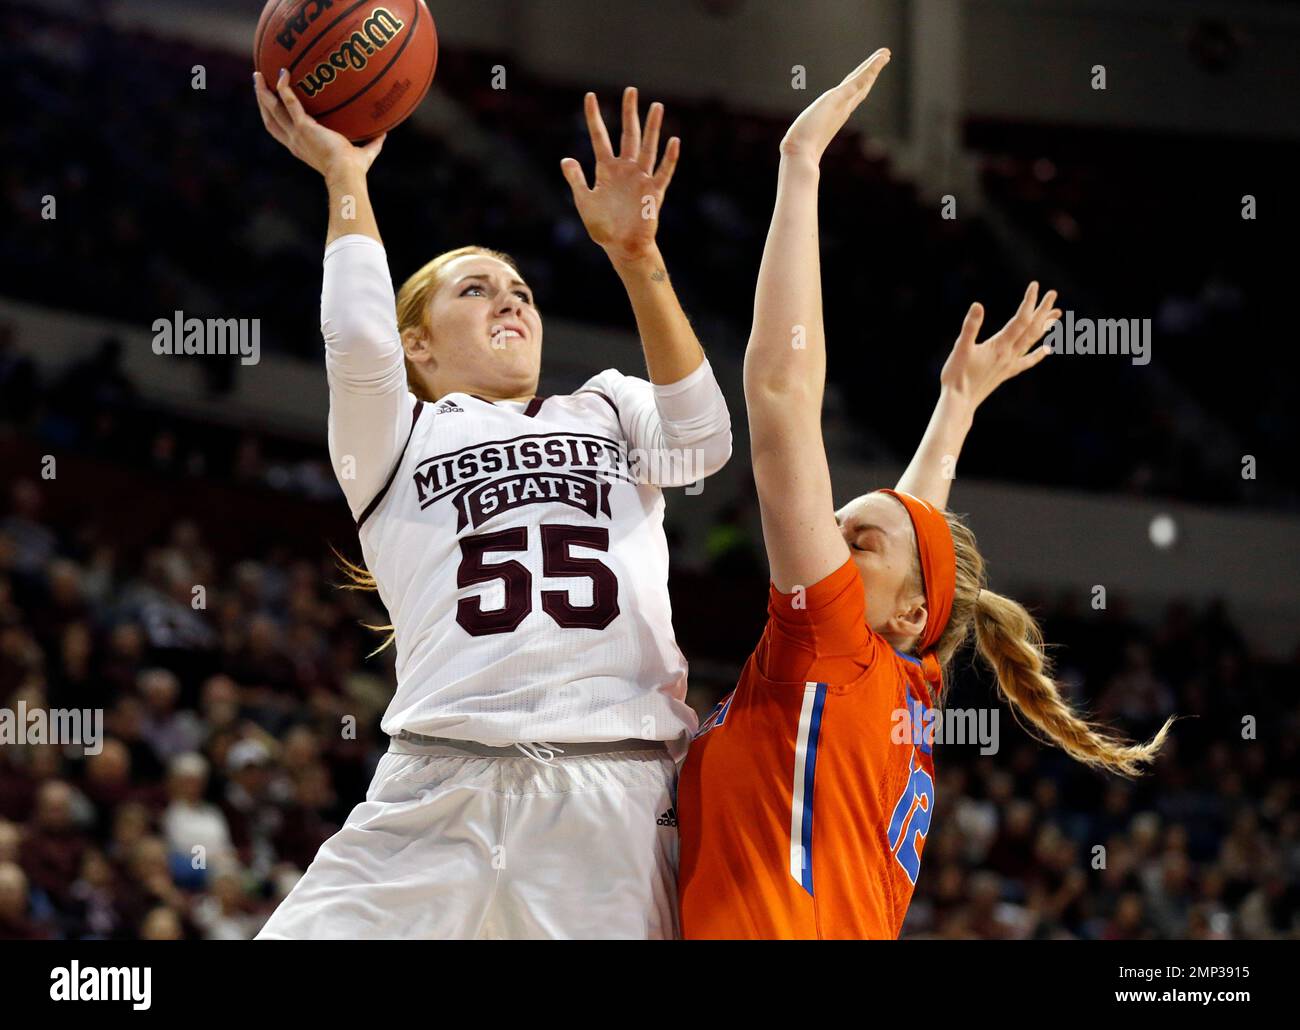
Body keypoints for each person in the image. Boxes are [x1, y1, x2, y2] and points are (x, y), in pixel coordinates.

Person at [677, 49, 1171, 940]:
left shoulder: (841, 653)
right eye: (839, 527)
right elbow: (911, 535)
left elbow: (783, 397)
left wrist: (799, 167)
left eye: (851, 543)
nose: (826, 538)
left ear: (904, 614)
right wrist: (954, 408)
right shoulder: (901, 674)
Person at [251, 69, 732, 939]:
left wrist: (638, 257)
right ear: (418, 345)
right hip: (436, 784)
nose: (509, 298)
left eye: (520, 291)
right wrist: (346, 179)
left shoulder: (611, 403)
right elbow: (355, 339)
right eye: (474, 290)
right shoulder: (395, 438)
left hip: (611, 791)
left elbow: (703, 442)